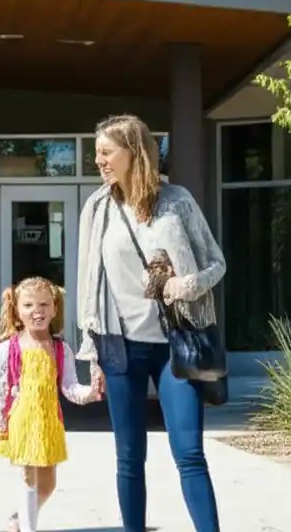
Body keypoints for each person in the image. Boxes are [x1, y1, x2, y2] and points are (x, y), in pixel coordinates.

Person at [76, 114, 226, 532]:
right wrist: (91, 351)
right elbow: (87, 280)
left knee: (189, 452)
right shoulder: (98, 207)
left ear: (133, 152)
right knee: (129, 456)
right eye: (97, 153)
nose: (99, 161)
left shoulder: (177, 201)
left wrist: (185, 284)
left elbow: (217, 263)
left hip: (176, 341)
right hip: (118, 344)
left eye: (106, 152)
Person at [0, 278, 102, 532]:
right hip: (21, 419)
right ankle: (29, 528)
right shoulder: (8, 347)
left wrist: (91, 393)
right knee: (28, 477)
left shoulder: (60, 348)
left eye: (43, 304)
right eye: (28, 305)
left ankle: (20, 518)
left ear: (54, 309)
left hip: (49, 422)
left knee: (48, 485)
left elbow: (70, 387)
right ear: (17, 310)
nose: (36, 311)